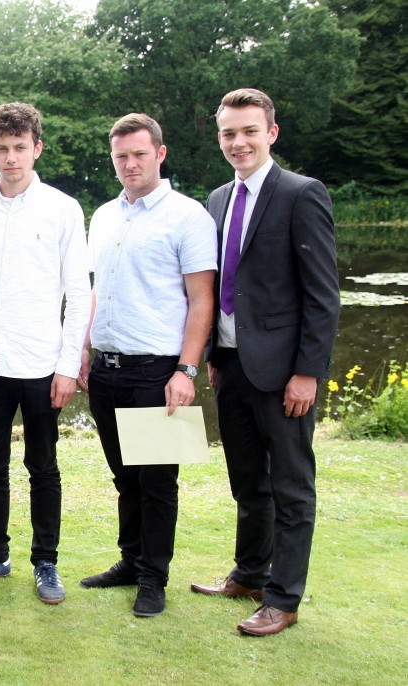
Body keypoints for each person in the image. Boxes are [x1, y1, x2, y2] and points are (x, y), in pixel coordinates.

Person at [191, 88, 340, 636]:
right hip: (230, 365)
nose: (238, 142)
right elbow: (214, 286)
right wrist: (211, 355)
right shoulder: (215, 200)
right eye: (229, 133)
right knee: (247, 481)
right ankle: (250, 573)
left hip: (284, 374)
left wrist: (308, 371)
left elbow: (323, 295)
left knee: (292, 488)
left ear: (271, 133)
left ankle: (283, 598)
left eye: (249, 131)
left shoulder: (302, 194)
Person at [76, 113, 216, 617]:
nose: (130, 164)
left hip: (158, 370)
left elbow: (202, 300)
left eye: (139, 154)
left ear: (160, 153)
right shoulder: (105, 215)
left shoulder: (188, 216)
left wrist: (187, 370)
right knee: (124, 476)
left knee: (157, 481)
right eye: (121, 156)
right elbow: (97, 290)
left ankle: (154, 578)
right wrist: (85, 349)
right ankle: (130, 561)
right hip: (108, 370)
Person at [0, 102, 91, 605]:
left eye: (19, 148)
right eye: (1, 148)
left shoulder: (62, 209)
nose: (11, 158)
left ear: (37, 148)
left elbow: (78, 292)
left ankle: (45, 560)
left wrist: (67, 365)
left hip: (39, 363)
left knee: (43, 465)